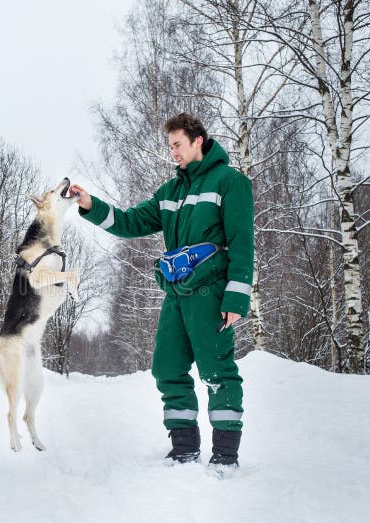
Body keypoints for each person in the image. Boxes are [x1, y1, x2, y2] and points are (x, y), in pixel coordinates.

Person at [69, 112, 254, 471]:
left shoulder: (230, 182)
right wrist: (90, 204)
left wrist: (236, 297)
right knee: (166, 368)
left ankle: (225, 455)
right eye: (170, 147)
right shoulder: (170, 192)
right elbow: (129, 222)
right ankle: (184, 448)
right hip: (176, 294)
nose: (174, 152)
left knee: (217, 371)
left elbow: (242, 243)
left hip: (212, 294)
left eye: (178, 145)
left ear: (198, 141)